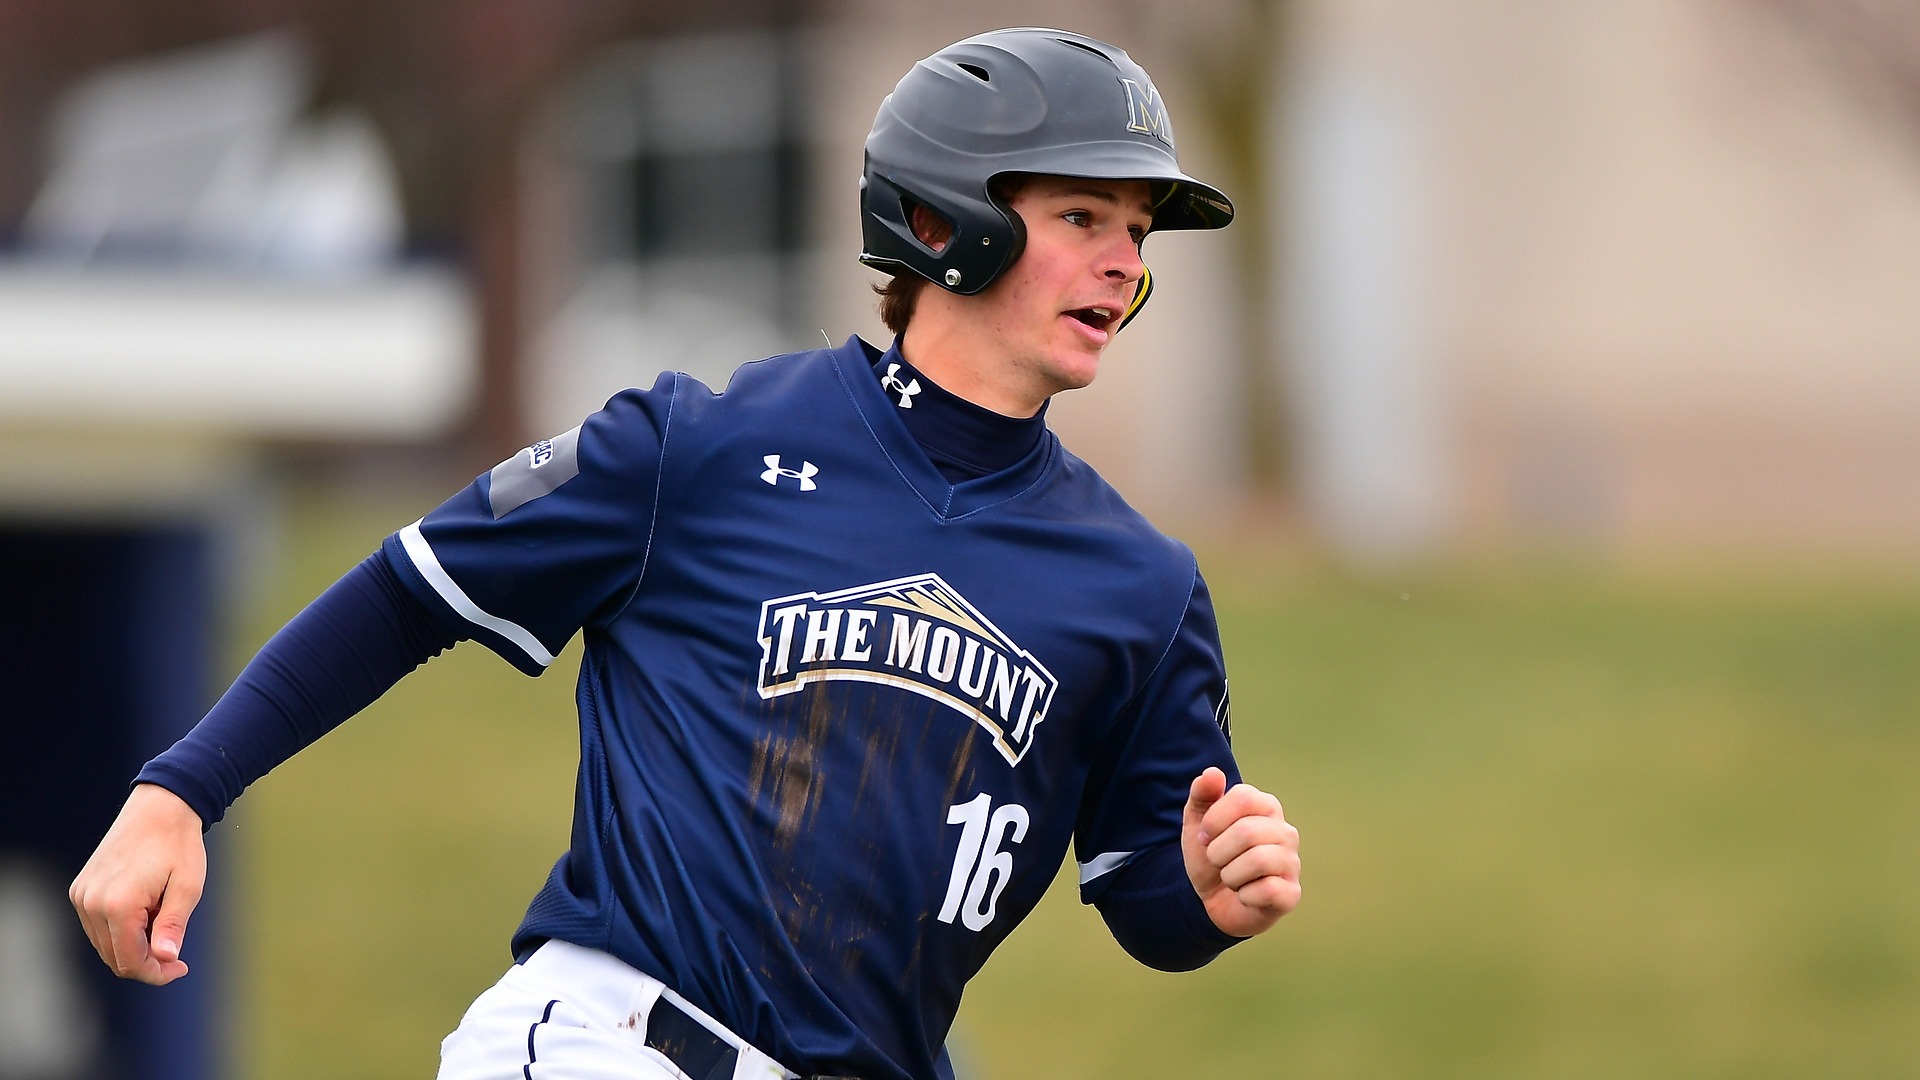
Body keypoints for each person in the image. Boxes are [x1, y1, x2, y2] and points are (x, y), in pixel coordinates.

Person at [70, 27, 1301, 1080]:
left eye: (1137, 231)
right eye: (1082, 215)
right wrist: (181, 790)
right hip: (608, 1044)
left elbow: (1148, 903)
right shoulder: (700, 449)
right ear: (942, 223)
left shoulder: (1141, 586)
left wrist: (1206, 894)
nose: (1125, 261)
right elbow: (409, 594)